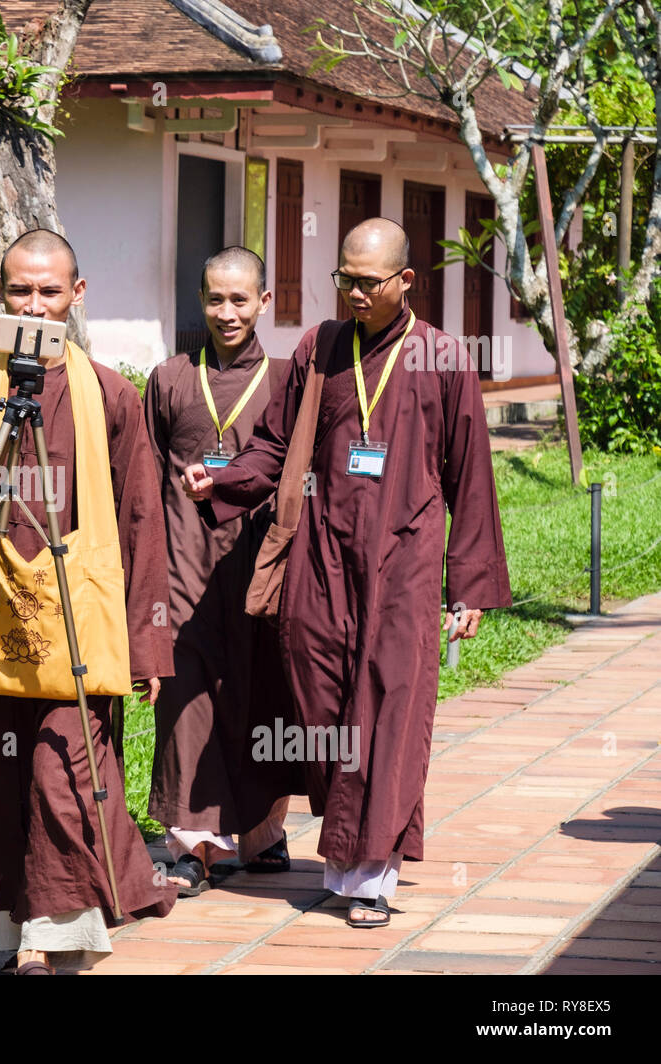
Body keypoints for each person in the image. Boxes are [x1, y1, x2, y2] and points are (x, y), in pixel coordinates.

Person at [182, 218, 511, 927]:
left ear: (404, 282)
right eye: (345, 280)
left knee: (390, 708)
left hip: (405, 562)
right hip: (320, 559)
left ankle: (370, 877)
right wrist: (224, 482)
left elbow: (473, 480)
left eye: (368, 282)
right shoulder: (321, 348)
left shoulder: (442, 358)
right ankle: (346, 857)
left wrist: (471, 586)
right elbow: (273, 444)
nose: (355, 294)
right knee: (326, 706)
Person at [0, 229, 176, 973]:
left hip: (79, 634)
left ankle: (63, 946)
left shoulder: (111, 395)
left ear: (77, 296)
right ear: (0, 295)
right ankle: (5, 940)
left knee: (66, 782)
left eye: (49, 291)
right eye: (20, 291)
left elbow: (142, 522)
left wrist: (149, 641)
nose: (34, 305)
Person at [144, 247, 304, 895]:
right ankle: (190, 842)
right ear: (200, 300)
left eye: (241, 299)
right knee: (185, 700)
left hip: (263, 567)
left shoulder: (291, 378)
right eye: (215, 298)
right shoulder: (170, 378)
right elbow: (145, 482)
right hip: (184, 565)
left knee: (266, 694)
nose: (227, 312)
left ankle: (265, 831)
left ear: (265, 300)